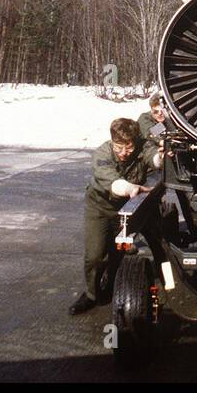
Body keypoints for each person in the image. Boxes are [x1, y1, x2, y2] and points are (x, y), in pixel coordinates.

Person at [68, 117, 164, 315]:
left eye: (128, 147)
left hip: (131, 207)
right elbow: (110, 180)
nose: (123, 153)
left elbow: (153, 157)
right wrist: (130, 188)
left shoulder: (142, 146)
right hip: (100, 207)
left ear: (134, 141)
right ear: (112, 141)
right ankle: (92, 294)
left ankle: (116, 285)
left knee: (120, 252)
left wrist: (161, 157)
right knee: (95, 256)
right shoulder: (102, 153)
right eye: (118, 147)